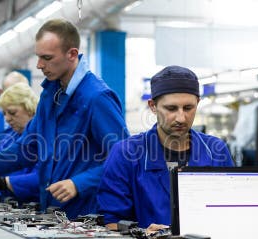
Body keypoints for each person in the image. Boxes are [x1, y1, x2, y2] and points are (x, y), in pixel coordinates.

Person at [0, 19, 129, 218]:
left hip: (87, 214)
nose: (39, 65)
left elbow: (123, 159)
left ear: (72, 54)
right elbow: (27, 147)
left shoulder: (97, 97)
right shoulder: (50, 97)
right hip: (52, 212)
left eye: (47, 58)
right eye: (38, 57)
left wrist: (79, 183)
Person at [97, 66, 235, 230]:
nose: (181, 118)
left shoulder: (216, 151)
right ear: (153, 106)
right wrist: (142, 234)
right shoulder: (126, 154)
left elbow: (230, 211)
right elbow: (110, 222)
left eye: (188, 108)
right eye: (171, 109)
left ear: (198, 103)